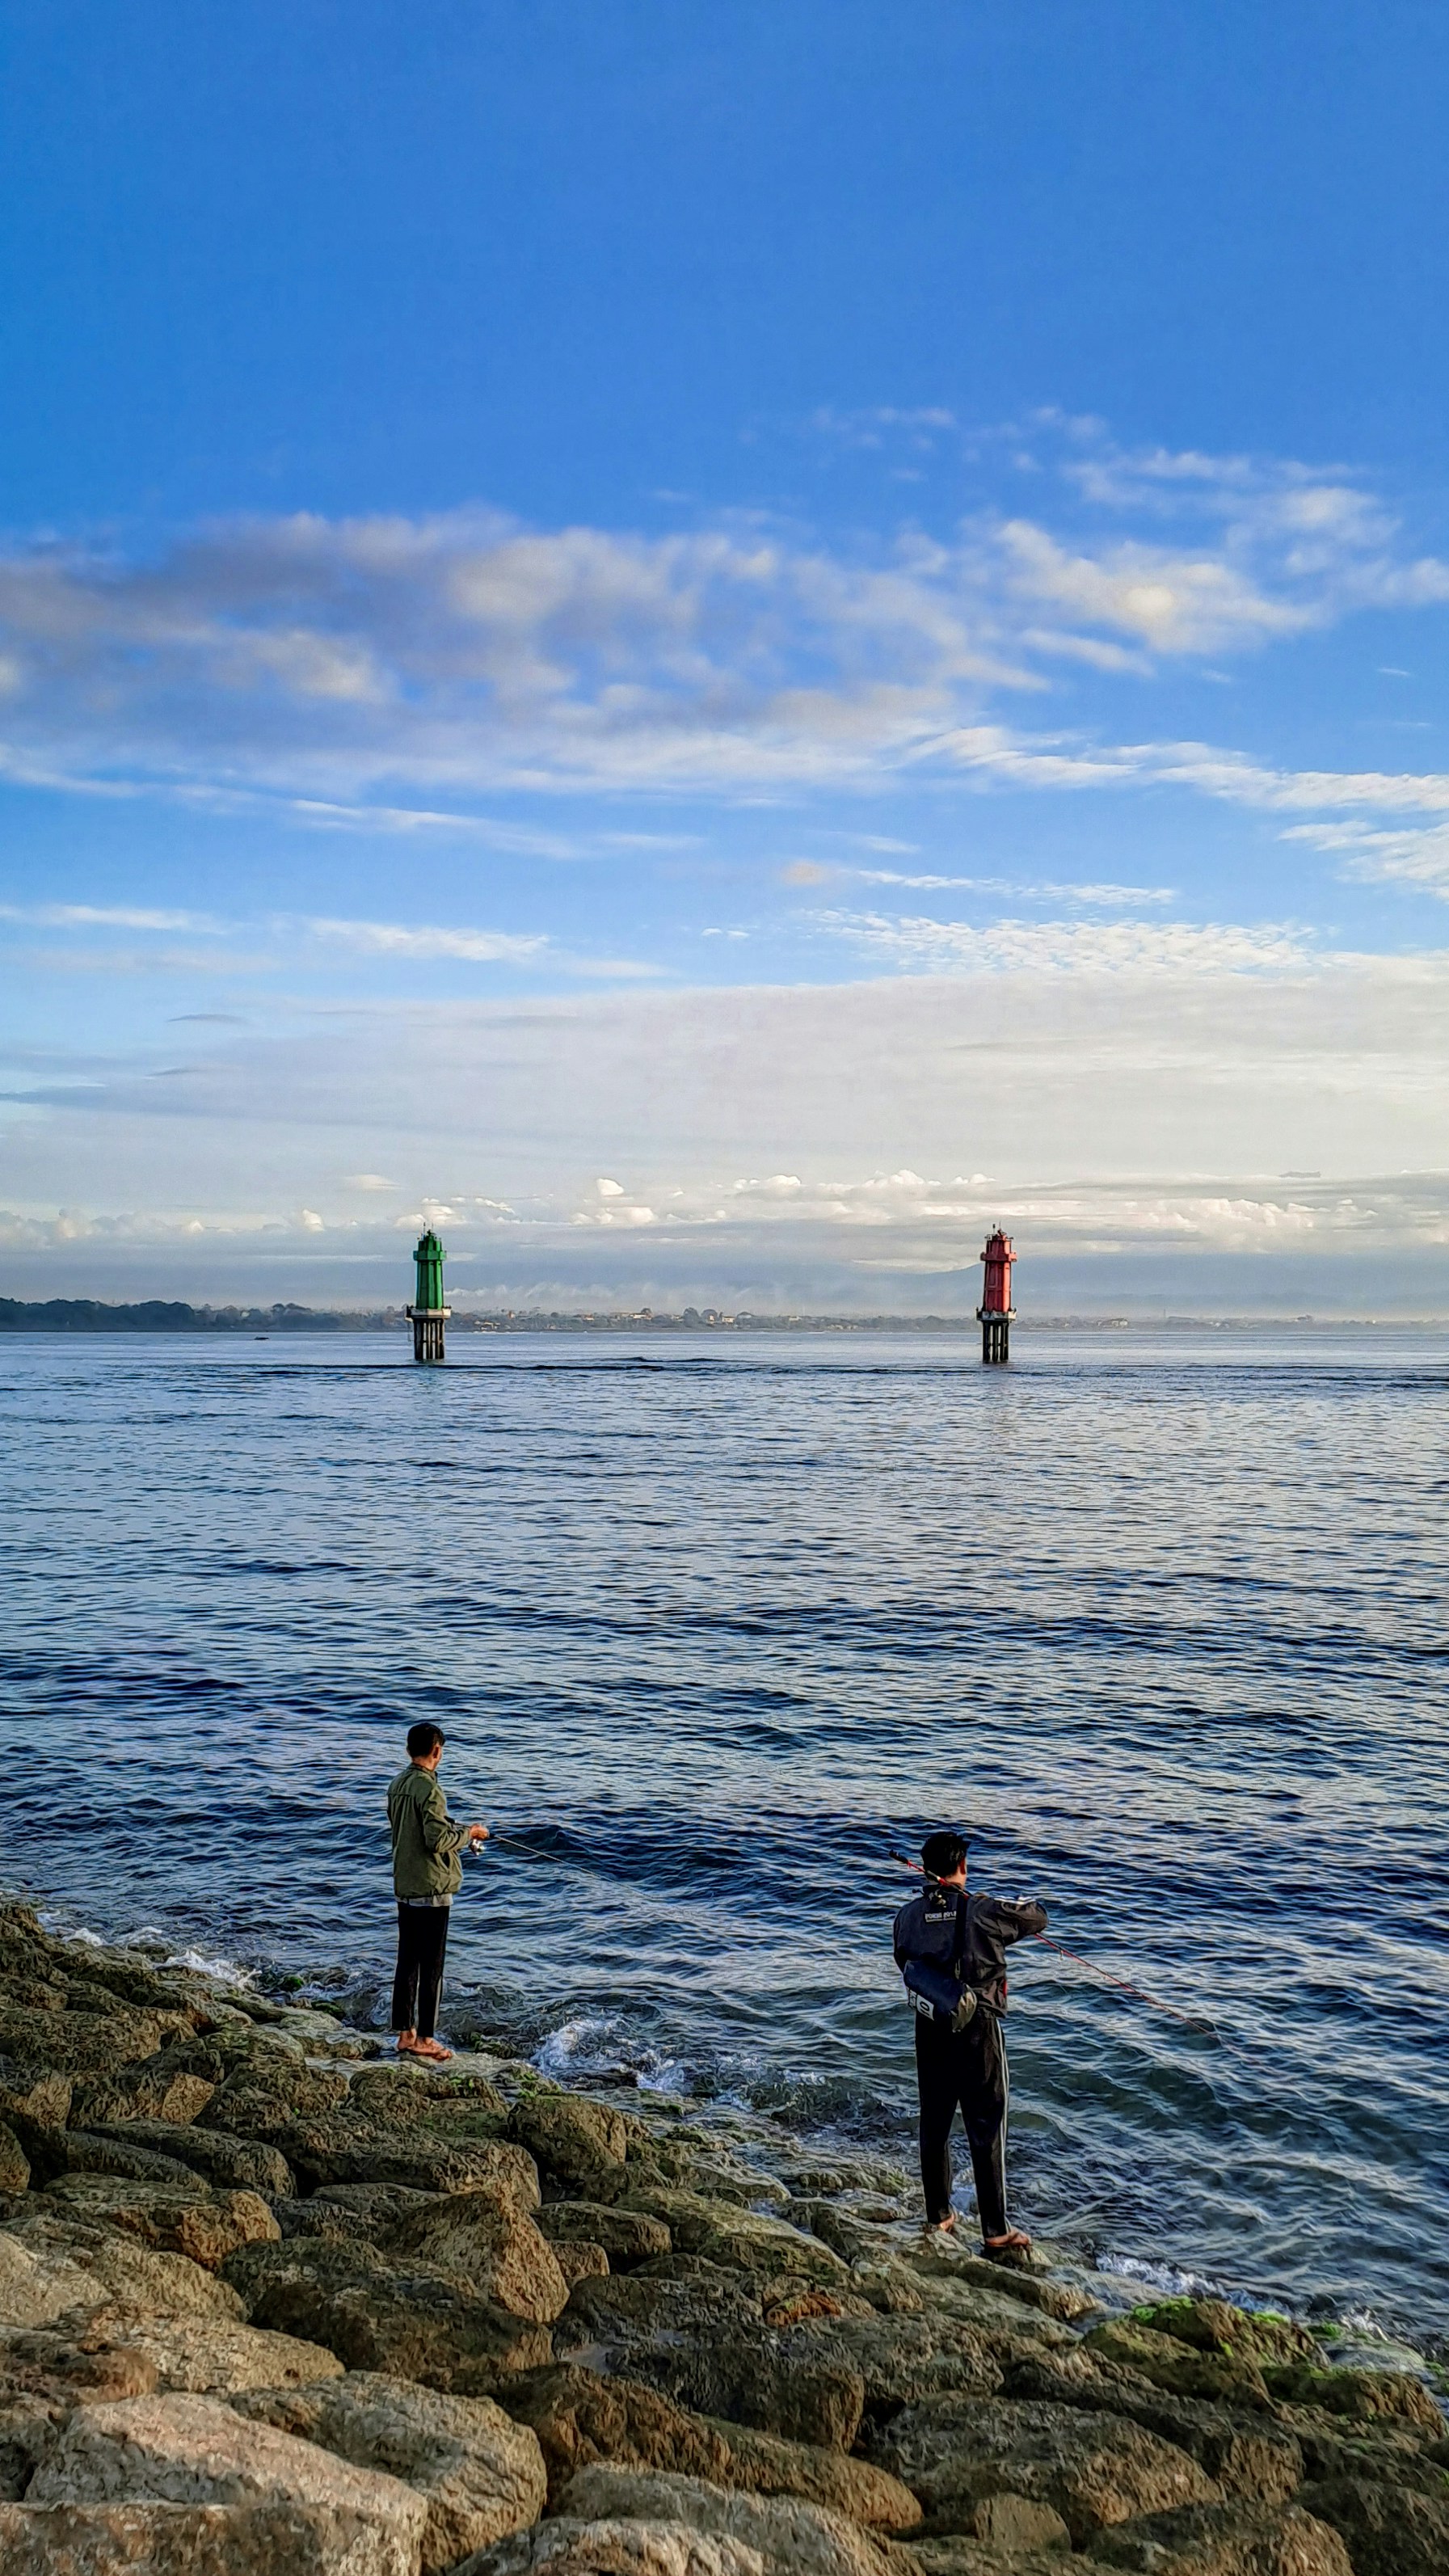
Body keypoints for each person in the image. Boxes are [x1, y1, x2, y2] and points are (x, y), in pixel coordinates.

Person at [893, 1828, 1047, 2258]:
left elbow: (904, 1960)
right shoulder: (981, 1910)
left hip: (930, 2028)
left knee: (935, 2123)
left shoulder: (906, 1916)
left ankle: (939, 2214)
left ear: (926, 1870)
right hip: (978, 2031)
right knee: (986, 2125)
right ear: (962, 1867)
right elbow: (1037, 1917)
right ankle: (996, 2230)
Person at [386, 1721, 488, 2063]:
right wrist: (470, 1832)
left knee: (407, 1962)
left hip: (405, 1885)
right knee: (432, 1966)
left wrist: (455, 1829)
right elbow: (436, 1840)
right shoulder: (430, 1790)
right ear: (437, 1751)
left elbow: (413, 1831)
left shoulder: (397, 1784)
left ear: (408, 1749)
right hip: (431, 1890)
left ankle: (405, 2034)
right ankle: (426, 2039)